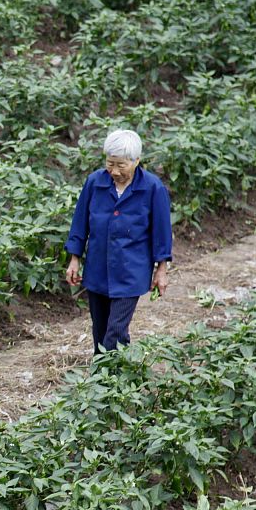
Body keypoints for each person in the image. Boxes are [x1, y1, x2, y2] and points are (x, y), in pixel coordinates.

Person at [65, 129, 173, 354]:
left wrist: (161, 270)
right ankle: (116, 376)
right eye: (110, 163)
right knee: (100, 330)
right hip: (97, 268)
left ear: (136, 161)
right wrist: (74, 259)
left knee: (115, 331)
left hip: (130, 272)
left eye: (121, 165)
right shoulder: (95, 183)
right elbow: (80, 222)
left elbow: (161, 232)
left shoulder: (152, 188)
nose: (114, 171)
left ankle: (103, 378)